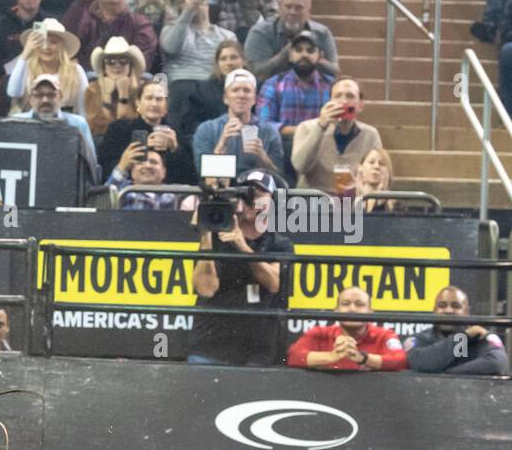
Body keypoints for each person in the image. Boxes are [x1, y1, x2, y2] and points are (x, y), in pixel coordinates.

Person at [187, 169, 291, 366]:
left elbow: (273, 283)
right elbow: (205, 288)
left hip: (259, 350)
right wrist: (205, 235)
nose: (252, 200)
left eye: (259, 195)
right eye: (245, 194)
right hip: (211, 347)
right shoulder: (217, 239)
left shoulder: (280, 243)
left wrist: (242, 247)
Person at [290, 77, 382, 195]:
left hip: (352, 204)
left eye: (350, 96)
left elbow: (378, 173)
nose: (343, 101)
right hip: (312, 203)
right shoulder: (306, 128)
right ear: (329, 102)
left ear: (360, 105)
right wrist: (320, 127)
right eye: (338, 96)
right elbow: (300, 166)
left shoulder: (371, 134)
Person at [192, 67, 284, 180]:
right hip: (220, 191)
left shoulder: (269, 132)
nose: (241, 95)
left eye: (247, 90)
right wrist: (221, 145)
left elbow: (278, 177)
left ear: (255, 99)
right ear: (226, 98)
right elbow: (204, 176)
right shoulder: (206, 129)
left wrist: (262, 156)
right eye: (235, 90)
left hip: (256, 190)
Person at [286, 287, 407, 372]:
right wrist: (331, 356)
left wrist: (363, 358)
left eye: (359, 304)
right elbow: (293, 356)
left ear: (370, 312)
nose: (352, 309)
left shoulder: (384, 335)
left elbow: (400, 360)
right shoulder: (319, 333)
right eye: (345, 303)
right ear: (336, 310)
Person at [61, 0, 158, 73]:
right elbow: (66, 42)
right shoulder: (87, 21)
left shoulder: (139, 23)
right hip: (88, 79)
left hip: (127, 79)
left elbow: (142, 61)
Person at [98, 79, 193, 184]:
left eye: (159, 99)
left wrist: (176, 150)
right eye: (149, 98)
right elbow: (105, 170)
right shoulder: (119, 129)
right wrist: (128, 159)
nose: (154, 103)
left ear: (166, 105)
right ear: (138, 103)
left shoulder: (175, 134)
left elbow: (190, 178)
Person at [11, 72, 99, 184]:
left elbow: (91, 164)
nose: (45, 100)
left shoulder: (77, 124)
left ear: (61, 97)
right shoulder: (16, 123)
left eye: (51, 95)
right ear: (30, 99)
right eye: (39, 95)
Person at [404, 286, 510, 376]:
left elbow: (497, 363)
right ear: (434, 311)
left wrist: (447, 374)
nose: (448, 311)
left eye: (456, 306)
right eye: (442, 305)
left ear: (467, 311)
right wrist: (464, 337)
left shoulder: (481, 336)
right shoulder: (419, 338)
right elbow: (420, 362)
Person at [244, 0, 338, 81]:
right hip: (269, 90)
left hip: (312, 87)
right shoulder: (260, 33)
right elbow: (256, 73)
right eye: (288, 7)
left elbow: (334, 71)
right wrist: (286, 53)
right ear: (279, 9)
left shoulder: (322, 33)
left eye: (299, 8)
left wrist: (315, 59)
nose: (292, 12)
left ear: (309, 12)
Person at [256, 29, 331, 138]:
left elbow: (337, 125)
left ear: (320, 55)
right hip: (282, 149)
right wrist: (305, 130)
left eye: (310, 50)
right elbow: (263, 126)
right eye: (298, 50)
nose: (304, 55)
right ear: (290, 54)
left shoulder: (331, 86)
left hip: (319, 149)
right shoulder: (273, 85)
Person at [161, 0, 235, 86]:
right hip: (181, 86)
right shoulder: (171, 29)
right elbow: (170, 49)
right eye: (185, 0)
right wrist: (187, 12)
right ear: (180, 6)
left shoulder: (227, 36)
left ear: (206, 1)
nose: (193, 1)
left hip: (213, 87)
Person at [6, 17, 84, 115]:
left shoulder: (76, 70)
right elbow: (13, 92)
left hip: (65, 125)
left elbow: (83, 106)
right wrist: (26, 53)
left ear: (62, 46)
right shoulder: (26, 67)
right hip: (31, 125)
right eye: (41, 42)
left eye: (53, 42)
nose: (46, 47)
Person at [173, 37, 244, 140]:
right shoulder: (201, 90)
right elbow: (189, 123)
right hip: (212, 140)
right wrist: (215, 132)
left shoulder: (255, 88)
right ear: (217, 64)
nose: (229, 63)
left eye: (233, 57)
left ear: (243, 60)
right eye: (223, 59)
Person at [83, 35, 144, 137]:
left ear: (131, 66)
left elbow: (132, 125)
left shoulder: (142, 88)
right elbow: (96, 128)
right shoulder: (93, 89)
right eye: (110, 61)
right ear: (104, 67)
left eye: (123, 61)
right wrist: (107, 96)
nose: (117, 66)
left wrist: (123, 94)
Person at [109, 146, 179, 209]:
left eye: (153, 162)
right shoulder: (121, 190)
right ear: (132, 171)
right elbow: (104, 201)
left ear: (164, 171)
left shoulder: (175, 193)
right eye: (140, 162)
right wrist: (122, 167)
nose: (147, 166)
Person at [355, 148, 396, 214]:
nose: (376, 166)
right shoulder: (348, 200)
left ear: (388, 171)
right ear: (360, 168)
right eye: (371, 162)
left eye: (382, 164)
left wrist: (381, 197)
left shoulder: (397, 206)